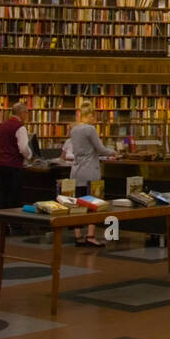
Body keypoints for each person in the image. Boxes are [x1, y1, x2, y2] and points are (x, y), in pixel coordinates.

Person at [68, 102, 116, 245]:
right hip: (90, 171)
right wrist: (113, 152)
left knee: (78, 205)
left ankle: (78, 236)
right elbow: (100, 149)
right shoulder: (90, 129)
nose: (94, 119)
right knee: (93, 204)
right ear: (89, 116)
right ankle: (90, 236)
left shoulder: (74, 130)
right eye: (93, 116)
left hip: (76, 171)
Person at [0, 100, 33, 209]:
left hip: (1, 164)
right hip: (13, 166)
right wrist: (30, 157)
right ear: (22, 113)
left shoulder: (1, 126)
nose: (27, 116)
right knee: (14, 196)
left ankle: (1, 222)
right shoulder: (20, 127)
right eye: (27, 113)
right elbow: (23, 148)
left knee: (2, 194)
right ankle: (14, 224)